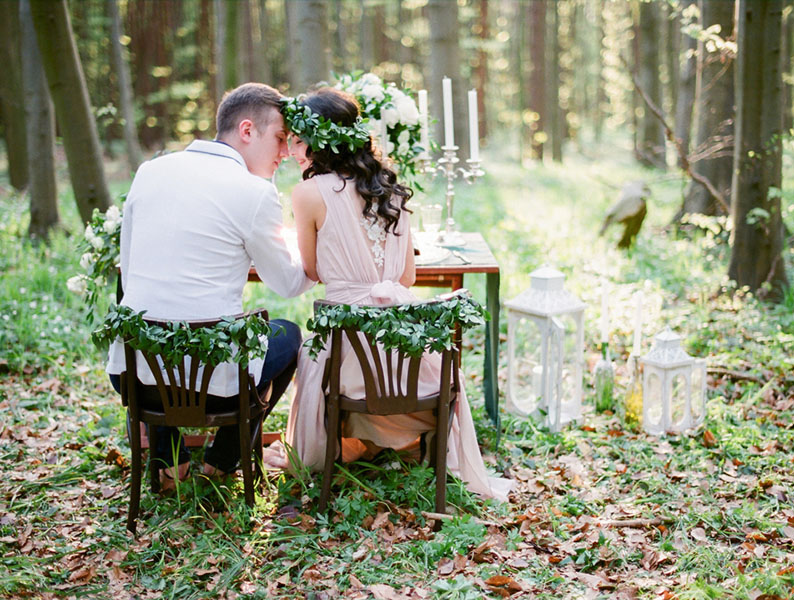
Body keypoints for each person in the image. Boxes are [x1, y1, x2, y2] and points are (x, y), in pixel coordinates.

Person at [266, 88, 511, 501]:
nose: (292, 149)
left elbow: (311, 270)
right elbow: (407, 276)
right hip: (407, 359)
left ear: (319, 140)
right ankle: (381, 444)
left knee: (314, 351)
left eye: (298, 139)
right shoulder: (393, 192)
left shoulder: (307, 194)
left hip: (349, 357)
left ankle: (342, 448)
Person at [106, 83, 316, 489]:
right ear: (248, 130)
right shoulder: (255, 192)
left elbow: (128, 274)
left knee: (159, 330)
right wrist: (317, 249)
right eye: (279, 138)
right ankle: (221, 461)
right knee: (288, 335)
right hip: (214, 387)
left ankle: (171, 465)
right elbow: (289, 283)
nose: (286, 152)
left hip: (133, 378)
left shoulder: (151, 171)